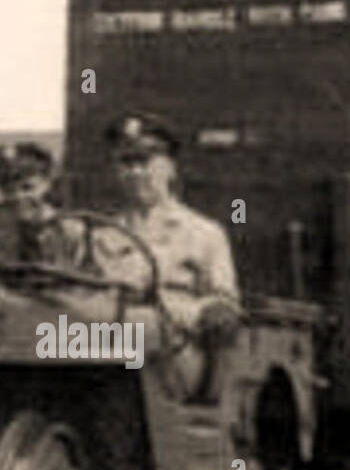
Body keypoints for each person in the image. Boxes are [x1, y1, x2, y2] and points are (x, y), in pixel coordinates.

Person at [91, 112, 242, 400]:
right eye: (125, 163)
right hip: (108, 345)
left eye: (144, 162)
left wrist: (173, 313)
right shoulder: (101, 235)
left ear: (170, 168)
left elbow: (224, 306)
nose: (135, 173)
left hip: (176, 352)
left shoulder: (203, 232)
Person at [0, 141, 75, 264]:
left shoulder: (78, 236)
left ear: (47, 185)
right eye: (9, 190)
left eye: (27, 188)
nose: (18, 196)